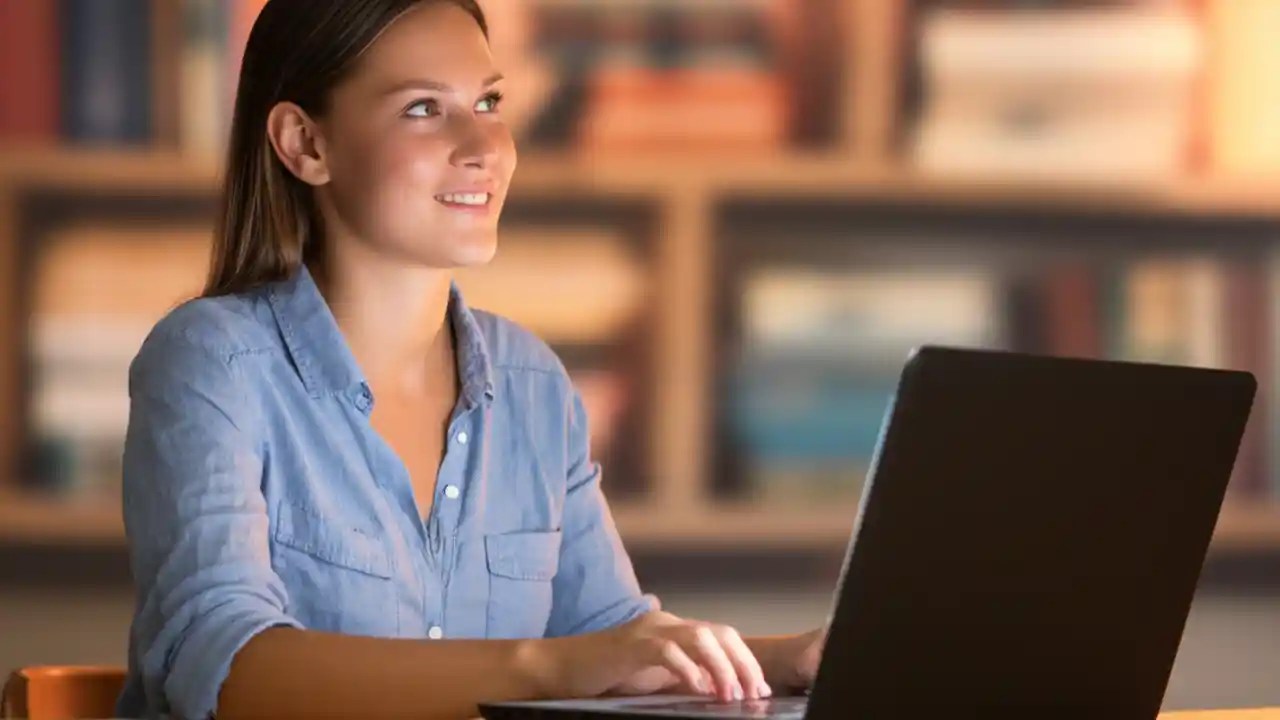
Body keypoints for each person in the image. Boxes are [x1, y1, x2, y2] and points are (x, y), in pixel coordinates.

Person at [116, 1, 826, 718]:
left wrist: (784, 659)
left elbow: (609, 642)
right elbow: (227, 666)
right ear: (306, 144)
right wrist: (542, 667)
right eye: (425, 108)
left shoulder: (533, 385)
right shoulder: (212, 363)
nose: (483, 144)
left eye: (489, 101)